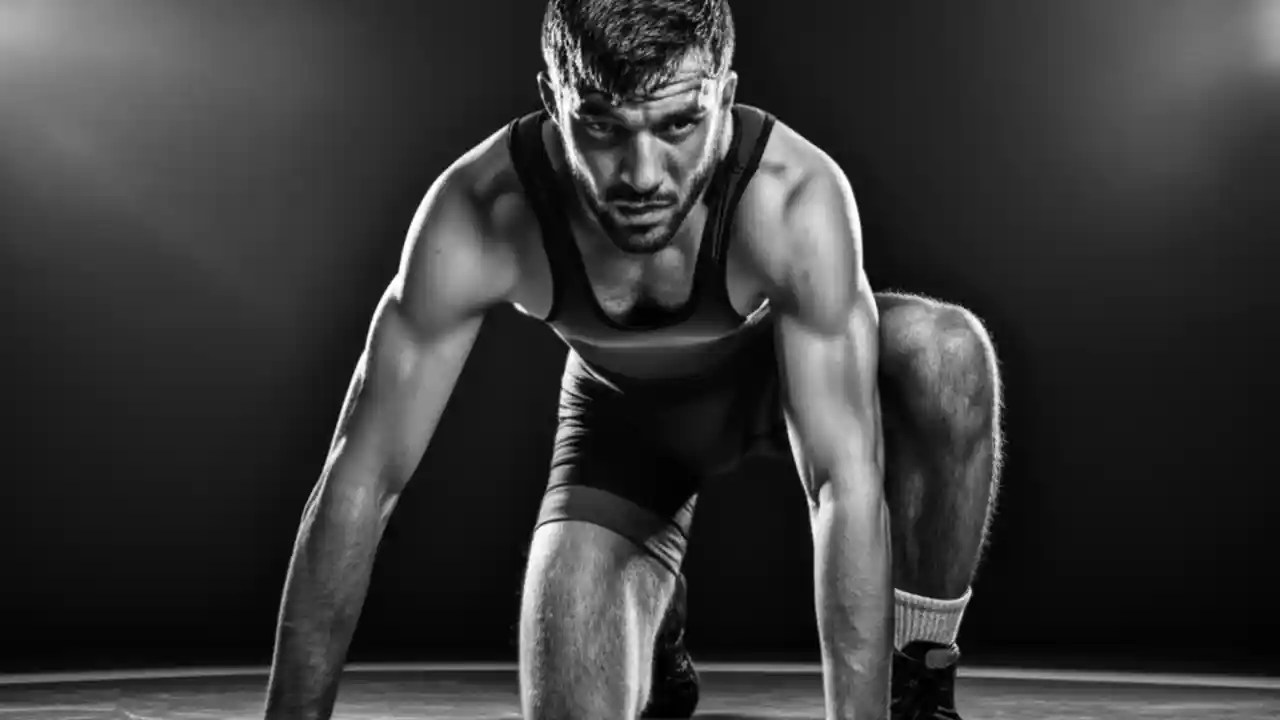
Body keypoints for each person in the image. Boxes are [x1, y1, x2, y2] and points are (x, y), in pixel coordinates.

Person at [263, 1, 1003, 718]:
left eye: (680, 123)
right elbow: (362, 478)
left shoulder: (792, 196)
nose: (643, 174)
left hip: (768, 388)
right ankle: (657, 636)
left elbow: (842, 484)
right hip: (625, 429)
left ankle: (921, 686)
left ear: (726, 96)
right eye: (604, 126)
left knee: (946, 355)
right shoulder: (483, 209)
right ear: (554, 101)